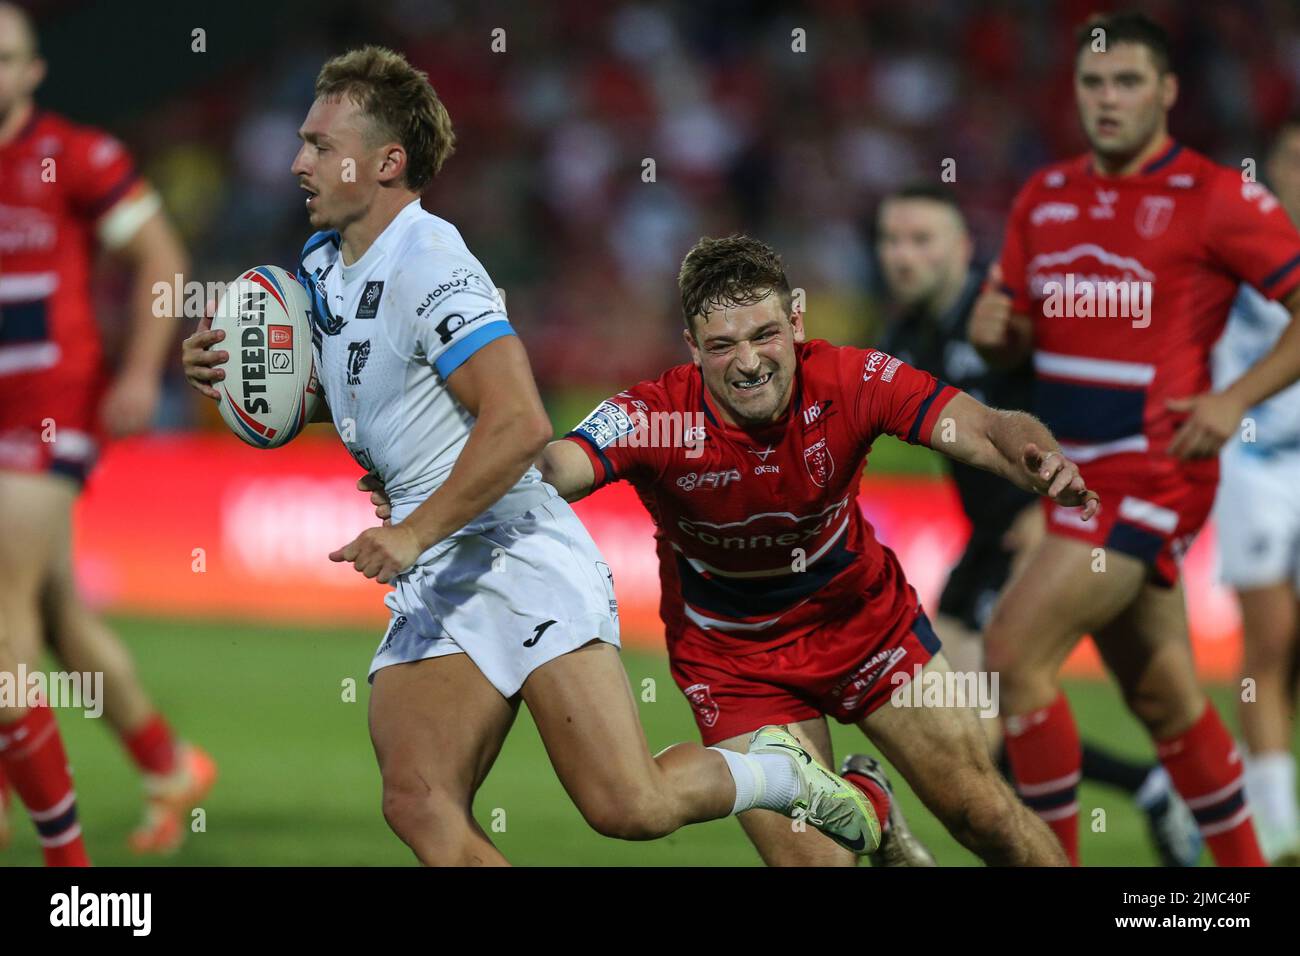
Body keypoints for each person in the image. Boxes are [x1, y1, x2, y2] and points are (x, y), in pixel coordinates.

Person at [182, 46, 879, 866]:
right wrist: (258, 387)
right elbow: (380, 385)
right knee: (418, 801)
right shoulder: (325, 268)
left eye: (320, 145)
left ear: (384, 162)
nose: (298, 161)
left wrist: (413, 529)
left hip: (514, 554)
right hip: (441, 568)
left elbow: (518, 421)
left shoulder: (429, 262)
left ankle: (783, 777)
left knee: (628, 805)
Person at [518, 233, 1089, 866]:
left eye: (764, 335)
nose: (748, 362)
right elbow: (555, 467)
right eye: (722, 345)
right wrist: (488, 460)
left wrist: (1037, 457)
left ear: (796, 322)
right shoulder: (654, 416)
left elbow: (983, 427)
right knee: (819, 865)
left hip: (863, 622)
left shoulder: (852, 379)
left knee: (985, 815)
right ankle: (869, 809)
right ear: (692, 349)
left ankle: (875, 804)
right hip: (734, 660)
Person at [971, 11, 1300, 866]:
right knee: (1166, 702)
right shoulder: (1044, 197)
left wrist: (1233, 399)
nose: (1107, 98)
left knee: (1009, 653)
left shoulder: (1218, 197)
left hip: (1154, 473)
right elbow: (1009, 335)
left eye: (1126, 82)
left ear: (1167, 91)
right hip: (1069, 474)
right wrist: (998, 330)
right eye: (1092, 82)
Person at [875, 183, 1201, 865]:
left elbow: (1088, 391)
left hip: (1045, 532)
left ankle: (1117, 811)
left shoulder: (1004, 322)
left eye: (920, 239)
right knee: (966, 722)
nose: (902, 256)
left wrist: (1048, 502)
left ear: (963, 249)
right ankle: (1148, 784)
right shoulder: (906, 335)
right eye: (891, 241)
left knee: (993, 718)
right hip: (981, 542)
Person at [0, 1, 213, 861]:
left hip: (46, 421)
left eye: (6, 57)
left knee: (7, 633)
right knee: (55, 615)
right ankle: (168, 766)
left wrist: (137, 372)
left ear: (34, 70)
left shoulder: (76, 156)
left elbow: (163, 258)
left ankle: (66, 865)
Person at [1212, 119, 1300, 864]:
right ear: (1270, 171)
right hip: (1253, 463)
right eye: (1293, 161)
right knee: (1270, 639)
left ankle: (1250, 787)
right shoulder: (1234, 249)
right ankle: (1275, 825)